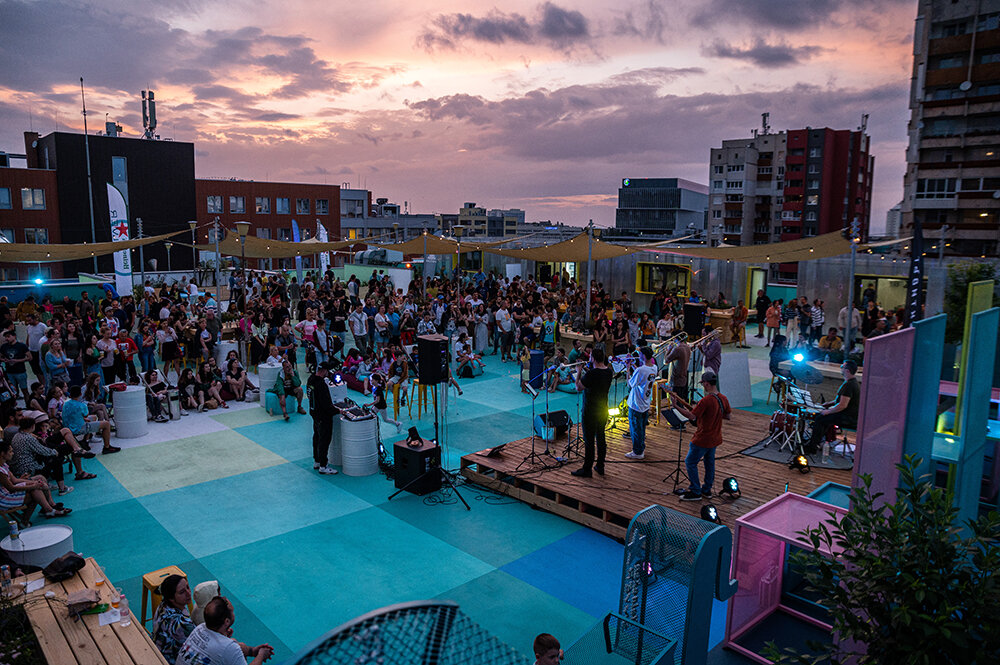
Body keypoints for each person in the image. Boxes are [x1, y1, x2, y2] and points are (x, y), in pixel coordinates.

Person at [671, 370, 730, 501]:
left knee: (690, 462)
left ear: (707, 384)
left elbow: (692, 416)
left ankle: (695, 491)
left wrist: (676, 406)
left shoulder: (706, 401)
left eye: (703, 383)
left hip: (702, 438)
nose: (703, 386)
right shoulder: (723, 398)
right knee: (709, 463)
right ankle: (707, 490)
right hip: (715, 438)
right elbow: (728, 416)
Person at [176, 596, 273, 665]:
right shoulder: (228, 647)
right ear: (226, 621)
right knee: (234, 646)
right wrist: (261, 654)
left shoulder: (200, 628)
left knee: (235, 643)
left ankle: (253, 651)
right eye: (232, 611)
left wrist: (253, 651)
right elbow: (227, 648)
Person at [1, 437, 69, 521]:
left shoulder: (4, 465)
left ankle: (50, 505)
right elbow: (11, 487)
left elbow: (15, 480)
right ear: (2, 454)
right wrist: (33, 485)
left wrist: (34, 482)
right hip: (5, 499)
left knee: (40, 478)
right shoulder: (1, 471)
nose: (13, 453)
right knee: (36, 490)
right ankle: (28, 520)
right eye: (10, 451)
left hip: (9, 492)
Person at [571, 348, 613, 478]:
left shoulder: (592, 374)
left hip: (590, 410)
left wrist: (578, 372)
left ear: (593, 358)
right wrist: (586, 371)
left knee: (589, 440)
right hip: (603, 409)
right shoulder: (608, 371)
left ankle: (587, 469)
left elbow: (578, 387)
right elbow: (595, 377)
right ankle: (600, 466)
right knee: (601, 437)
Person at [807, 360, 860, 454]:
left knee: (820, 418)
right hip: (849, 415)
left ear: (847, 371)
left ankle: (812, 447)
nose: (841, 369)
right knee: (823, 418)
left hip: (848, 417)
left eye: (842, 367)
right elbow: (840, 401)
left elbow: (842, 405)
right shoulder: (853, 383)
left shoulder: (849, 385)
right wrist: (829, 404)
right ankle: (819, 442)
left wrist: (828, 411)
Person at [62, 385, 120, 455]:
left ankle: (86, 440)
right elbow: (86, 414)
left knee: (93, 417)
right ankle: (107, 447)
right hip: (78, 428)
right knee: (106, 424)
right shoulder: (81, 405)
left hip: (68, 427)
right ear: (80, 394)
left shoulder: (66, 404)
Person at [152, 574, 195, 665]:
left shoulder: (163, 605)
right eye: (182, 592)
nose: (188, 593)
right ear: (171, 598)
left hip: (156, 649)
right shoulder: (180, 623)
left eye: (187, 587)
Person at [625, 346, 657, 460]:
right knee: (641, 428)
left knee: (635, 429)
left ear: (643, 356)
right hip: (645, 402)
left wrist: (628, 369)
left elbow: (631, 383)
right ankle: (640, 448)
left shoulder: (640, 370)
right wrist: (634, 366)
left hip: (636, 403)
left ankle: (637, 452)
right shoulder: (654, 367)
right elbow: (642, 375)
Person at [307, 362, 338, 475]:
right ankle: (324, 466)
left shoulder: (311, 380)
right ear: (324, 370)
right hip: (323, 416)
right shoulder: (321, 385)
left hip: (314, 413)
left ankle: (317, 460)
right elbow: (327, 405)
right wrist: (339, 411)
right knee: (324, 440)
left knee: (317, 437)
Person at [1, 329, 32, 404]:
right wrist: (4, 360)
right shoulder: (4, 346)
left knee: (24, 390)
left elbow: (30, 357)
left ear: (14, 336)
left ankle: (28, 405)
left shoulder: (21, 346)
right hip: (9, 372)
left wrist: (17, 360)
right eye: (6, 337)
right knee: (12, 391)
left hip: (20, 371)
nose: (7, 339)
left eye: (8, 337)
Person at [662, 338, 691, 402]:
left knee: (675, 401)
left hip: (676, 379)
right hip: (683, 378)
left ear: (675, 338)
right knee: (680, 399)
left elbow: (665, 361)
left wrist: (668, 350)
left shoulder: (677, 349)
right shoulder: (687, 347)